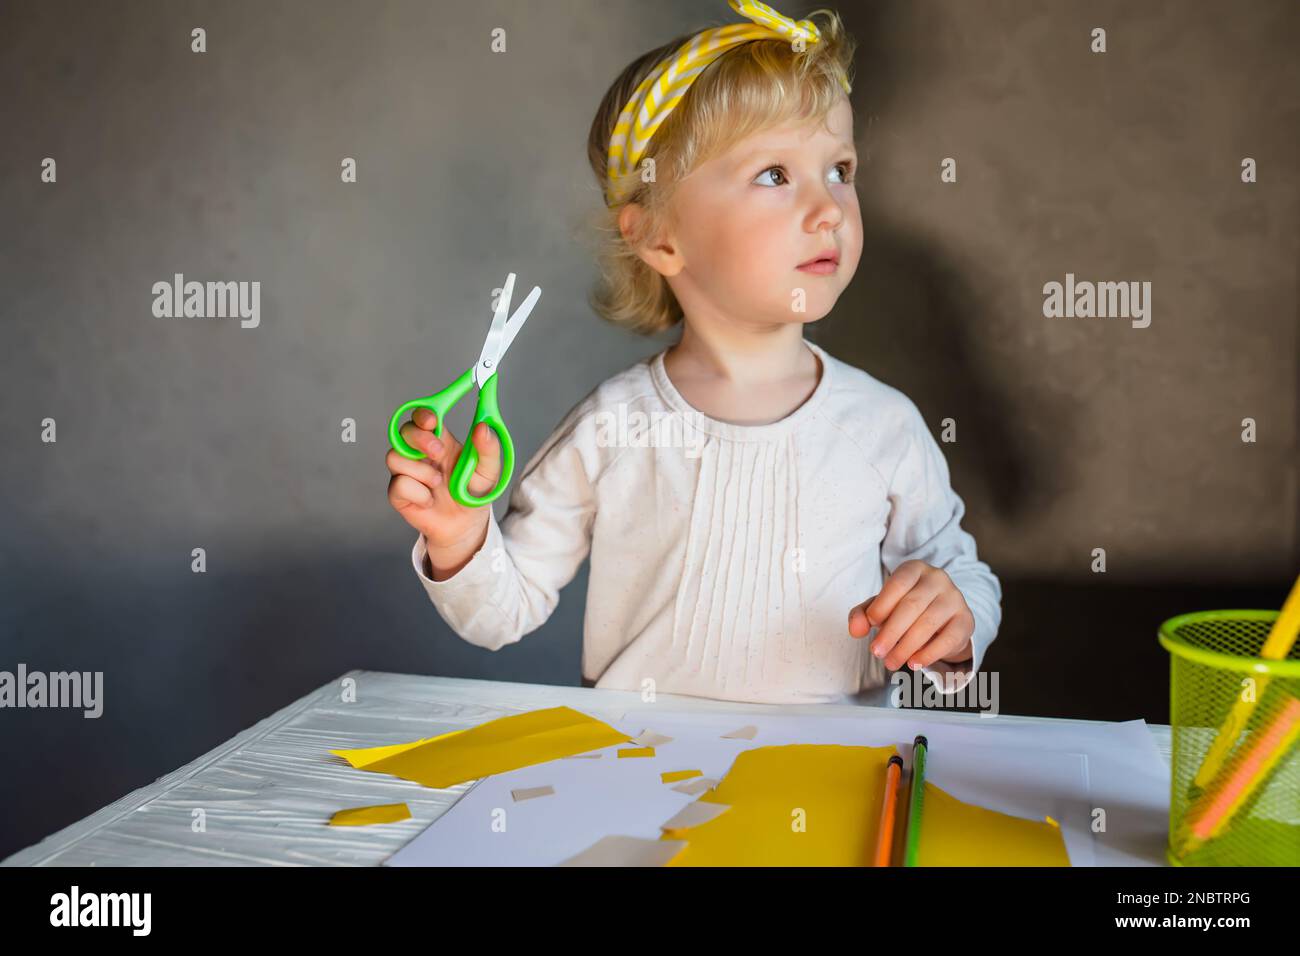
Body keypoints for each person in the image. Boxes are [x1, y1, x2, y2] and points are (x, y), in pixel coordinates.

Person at [385, 2, 1002, 706]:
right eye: (775, 174)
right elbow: (502, 612)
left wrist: (955, 620)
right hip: (640, 782)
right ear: (658, 237)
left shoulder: (884, 427)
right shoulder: (611, 428)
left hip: (835, 782)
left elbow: (960, 572)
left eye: (839, 168)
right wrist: (461, 534)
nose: (829, 207)